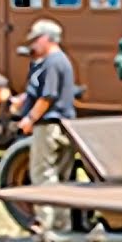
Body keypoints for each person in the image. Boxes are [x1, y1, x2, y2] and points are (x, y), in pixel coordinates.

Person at [10, 19, 77, 230]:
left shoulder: (52, 62)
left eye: (36, 40)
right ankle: (61, 223)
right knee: (61, 175)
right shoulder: (62, 61)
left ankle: (46, 222)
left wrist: (30, 118)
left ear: (47, 39)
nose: (33, 45)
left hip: (49, 125)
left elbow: (48, 96)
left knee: (43, 173)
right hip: (65, 124)